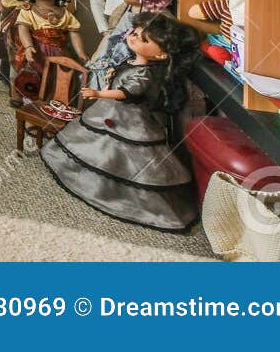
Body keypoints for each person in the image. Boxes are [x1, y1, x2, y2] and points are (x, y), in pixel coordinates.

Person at [42, 14, 201, 231]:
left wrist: (99, 93)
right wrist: (110, 79)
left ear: (161, 54)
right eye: (135, 33)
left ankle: (115, 194)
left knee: (125, 154)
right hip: (110, 112)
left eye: (143, 39)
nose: (134, 37)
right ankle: (95, 185)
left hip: (130, 118)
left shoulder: (144, 75)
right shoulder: (131, 62)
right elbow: (119, 83)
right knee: (100, 145)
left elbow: (125, 93)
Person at [85, 0, 170, 89]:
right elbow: (113, 33)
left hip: (125, 66)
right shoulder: (127, 7)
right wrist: (98, 52)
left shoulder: (150, 17)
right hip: (109, 55)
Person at [9, 0, 85, 105]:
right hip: (38, 52)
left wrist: (80, 53)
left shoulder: (64, 12)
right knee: (34, 79)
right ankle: (30, 106)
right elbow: (23, 28)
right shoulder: (29, 10)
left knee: (58, 80)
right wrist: (28, 46)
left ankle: (54, 104)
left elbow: (74, 32)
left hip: (60, 53)